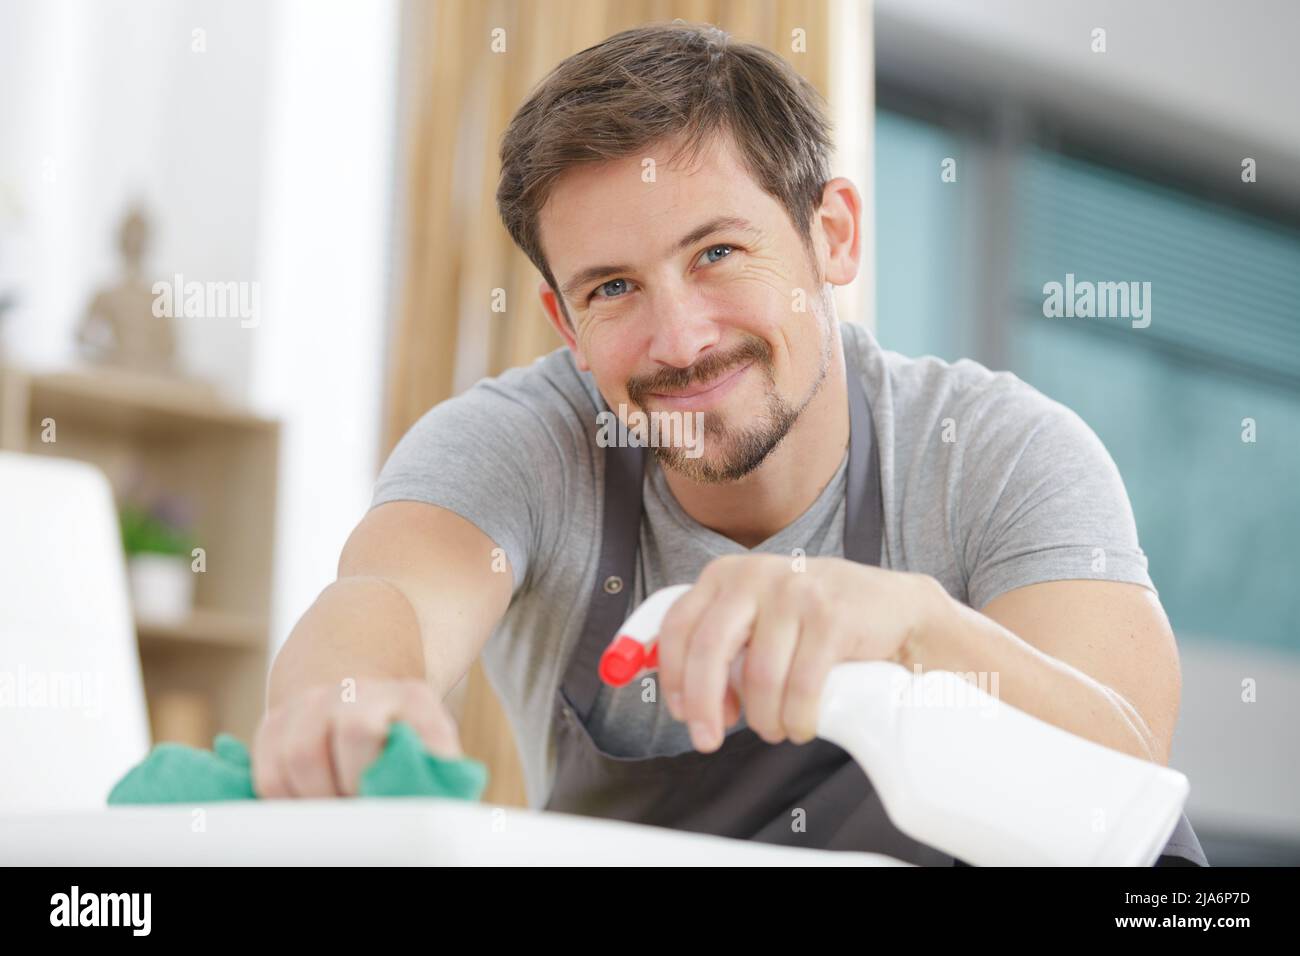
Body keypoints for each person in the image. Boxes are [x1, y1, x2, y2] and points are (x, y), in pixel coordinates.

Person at [252, 21, 1206, 866]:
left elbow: (1120, 783)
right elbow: (387, 601)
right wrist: (347, 700)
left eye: (717, 253)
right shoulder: (520, 445)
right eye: (612, 289)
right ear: (564, 324)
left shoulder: (997, 452)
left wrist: (916, 628)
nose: (681, 340)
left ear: (831, 235)